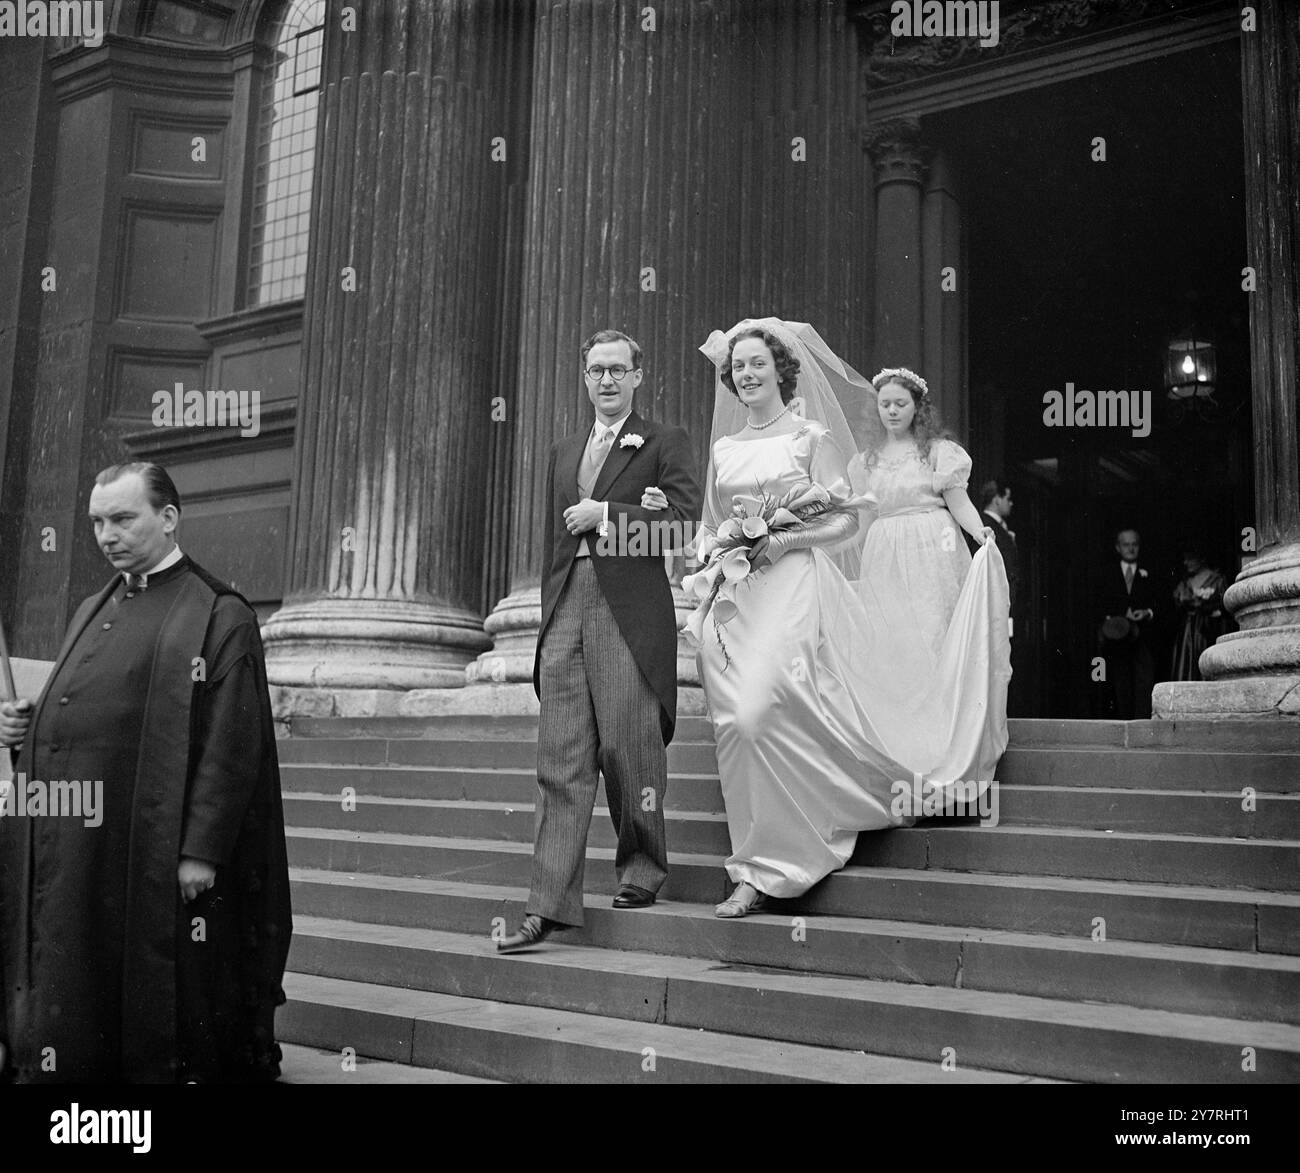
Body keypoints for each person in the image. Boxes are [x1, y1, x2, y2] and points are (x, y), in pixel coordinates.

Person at [682, 321, 1009, 919]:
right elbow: (710, 520)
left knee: (764, 706)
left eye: (758, 363)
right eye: (738, 368)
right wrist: (709, 552)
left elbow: (846, 521)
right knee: (736, 726)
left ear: (781, 370)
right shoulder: (725, 449)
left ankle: (791, 850)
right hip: (736, 599)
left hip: (795, 587)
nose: (747, 375)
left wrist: (784, 541)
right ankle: (752, 866)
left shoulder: (810, 437)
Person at [0, 462, 291, 1084]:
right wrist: (26, 730)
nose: (107, 535)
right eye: (97, 523)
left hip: (149, 844)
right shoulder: (92, 603)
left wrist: (202, 850)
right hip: (78, 835)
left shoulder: (219, 613)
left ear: (168, 518)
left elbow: (231, 747)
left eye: (123, 519)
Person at [497, 329, 701, 952]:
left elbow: (683, 530)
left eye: (617, 370)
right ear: (584, 378)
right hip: (565, 609)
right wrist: (547, 617)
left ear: (638, 376)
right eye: (595, 371)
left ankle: (642, 868)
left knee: (628, 746)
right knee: (559, 759)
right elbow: (555, 545)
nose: (606, 381)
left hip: (628, 610)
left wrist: (610, 518)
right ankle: (547, 904)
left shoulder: (665, 441)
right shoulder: (562, 452)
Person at [848, 368, 1012, 795]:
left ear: (917, 407)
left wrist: (980, 534)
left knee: (933, 637)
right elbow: (863, 523)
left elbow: (959, 501)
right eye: (885, 404)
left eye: (900, 403)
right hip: (885, 552)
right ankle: (907, 752)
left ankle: (945, 744)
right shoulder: (865, 462)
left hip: (933, 549)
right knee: (894, 647)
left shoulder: (938, 452)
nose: (892, 411)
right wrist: (836, 562)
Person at [1097, 527, 1158, 719]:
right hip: (1116, 639)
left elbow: (1160, 600)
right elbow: (1098, 602)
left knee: (1143, 681)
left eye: (1134, 544)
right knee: (1119, 681)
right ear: (1117, 547)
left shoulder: (1150, 571)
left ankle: (1141, 725)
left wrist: (1147, 612)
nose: (1130, 549)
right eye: (1126, 545)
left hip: (1143, 637)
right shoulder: (1107, 573)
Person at [1170, 546, 1228, 681]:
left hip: (1208, 631)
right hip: (1187, 633)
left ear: (1201, 559)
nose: (1186, 563)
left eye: (1190, 559)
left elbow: (1224, 608)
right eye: (1185, 559)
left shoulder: (1216, 579)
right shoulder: (1184, 583)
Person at [980, 479, 1020, 623]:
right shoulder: (984, 524)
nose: (1011, 503)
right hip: (994, 599)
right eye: (1007, 498)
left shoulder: (1000, 526)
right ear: (996, 499)